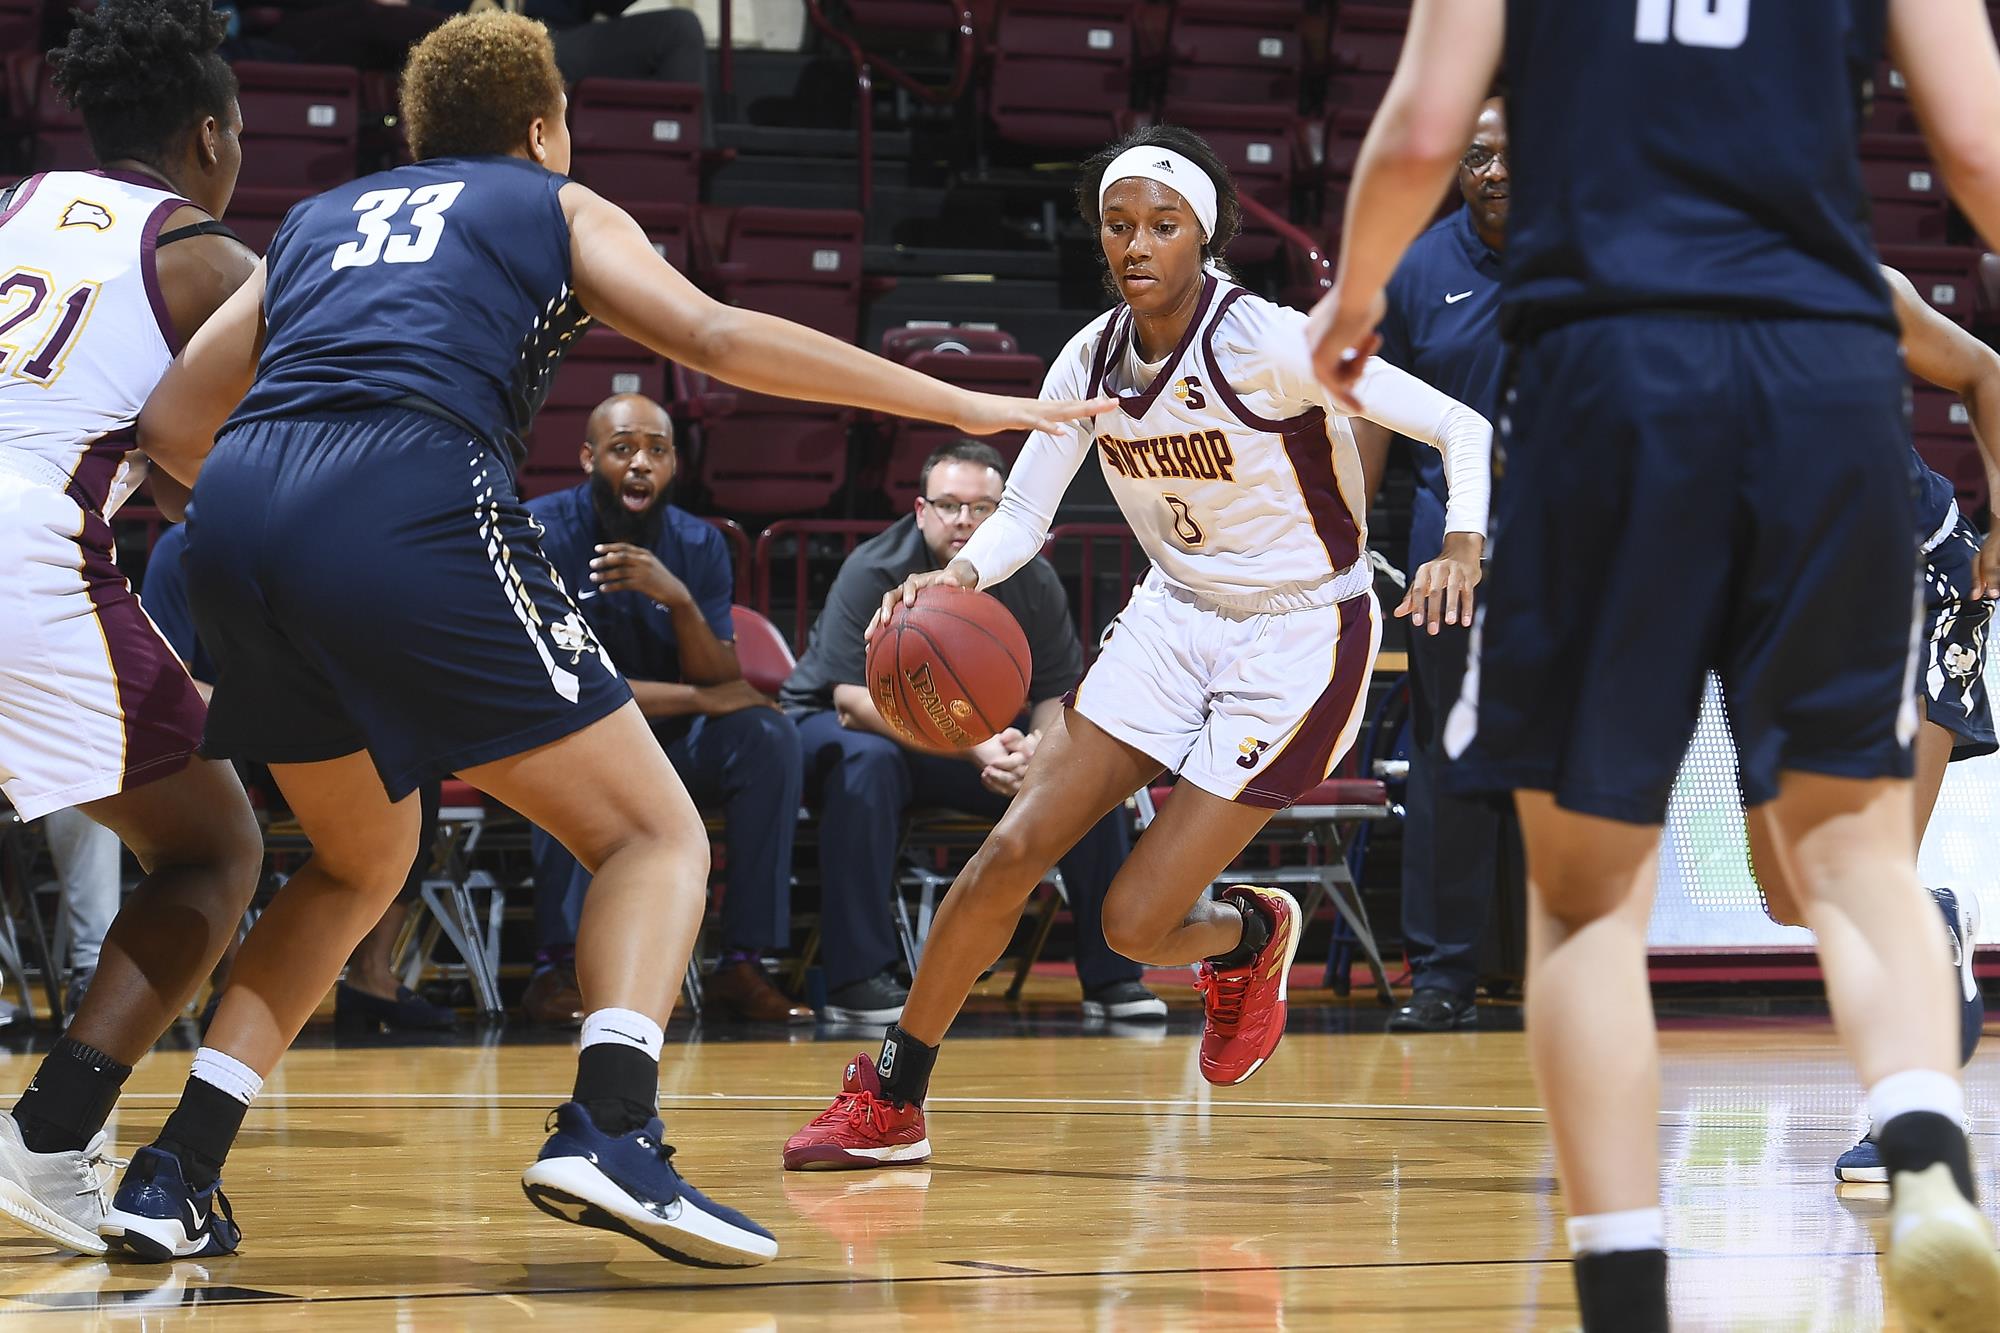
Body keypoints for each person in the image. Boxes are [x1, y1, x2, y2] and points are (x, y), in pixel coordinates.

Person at [120, 11, 1113, 1268]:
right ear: (542, 126)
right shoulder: (552, 200)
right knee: (653, 832)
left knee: (355, 859)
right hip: (406, 491)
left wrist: (289, 511)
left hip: (239, 519)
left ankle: (173, 1170)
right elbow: (710, 336)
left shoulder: (321, 216)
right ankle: (612, 1125)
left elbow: (170, 421)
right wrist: (959, 397)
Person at [1306, 1, 2000, 1328]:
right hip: (1824, 376)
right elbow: (1974, 142)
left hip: (1606, 374)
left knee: (1584, 901)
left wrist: (1356, 294)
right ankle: (1921, 1147)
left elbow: (1425, 133)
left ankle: (1627, 1298)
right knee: (1854, 854)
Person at [782, 124, 1493, 1170]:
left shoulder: (1271, 340)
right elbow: (1023, 514)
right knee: (1009, 853)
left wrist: (1462, 540)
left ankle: (1247, 935)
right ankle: (891, 1095)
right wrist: (955, 576)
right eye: (1118, 226)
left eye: (1162, 226)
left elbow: (1459, 427)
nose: (1136, 244)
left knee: (1128, 923)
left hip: (1299, 632)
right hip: (1175, 614)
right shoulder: (1091, 356)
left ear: (1202, 236)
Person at [0, 0, 267, 1258]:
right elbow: (232, 473)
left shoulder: (6, 210)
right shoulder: (209, 258)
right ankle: (52, 1136)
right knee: (213, 851)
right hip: (25, 560)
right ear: (208, 135)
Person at [779, 440, 1165, 1026]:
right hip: (848, 731)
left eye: (983, 508)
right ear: (920, 511)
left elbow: (1055, 696)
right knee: (866, 766)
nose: (964, 520)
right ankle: (857, 979)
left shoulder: (1031, 581)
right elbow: (852, 699)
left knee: (1081, 780)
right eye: (950, 505)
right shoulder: (875, 570)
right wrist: (981, 745)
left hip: (976, 746)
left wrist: (1035, 753)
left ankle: (1112, 977)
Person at [1756, 265, 1999, 1182]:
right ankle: (1934, 920)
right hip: (1783, 609)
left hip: (1921, 584)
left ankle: (1903, 1111)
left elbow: (1985, 372)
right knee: (1787, 895)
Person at [525, 392, 811, 1025]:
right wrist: (703, 698)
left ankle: (742, 962)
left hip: (670, 744)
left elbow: (723, 675)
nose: (640, 465)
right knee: (558, 740)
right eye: (622, 448)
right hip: (575, 735)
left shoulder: (698, 544)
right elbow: (561, 686)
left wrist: (679, 601)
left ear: (675, 463)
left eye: (656, 450)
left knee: (767, 737)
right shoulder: (537, 533)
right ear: (587, 457)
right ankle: (554, 970)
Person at [1352, 95, 1524, 1033]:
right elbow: (1376, 407)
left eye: (1507, 154)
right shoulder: (1423, 268)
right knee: (1447, 755)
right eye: (1476, 157)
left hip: (1570, 545)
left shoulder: (1592, 254)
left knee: (1572, 757)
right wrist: (1346, 525)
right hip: (1443, 549)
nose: (1492, 171)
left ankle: (1557, 964)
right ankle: (1445, 973)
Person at [141, 524, 456, 1034]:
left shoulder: (330, 544)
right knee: (200, 756)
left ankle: (372, 974)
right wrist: (253, 710)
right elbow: (167, 682)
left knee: (415, 762)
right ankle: (230, 976)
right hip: (227, 723)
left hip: (315, 723)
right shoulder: (180, 549)